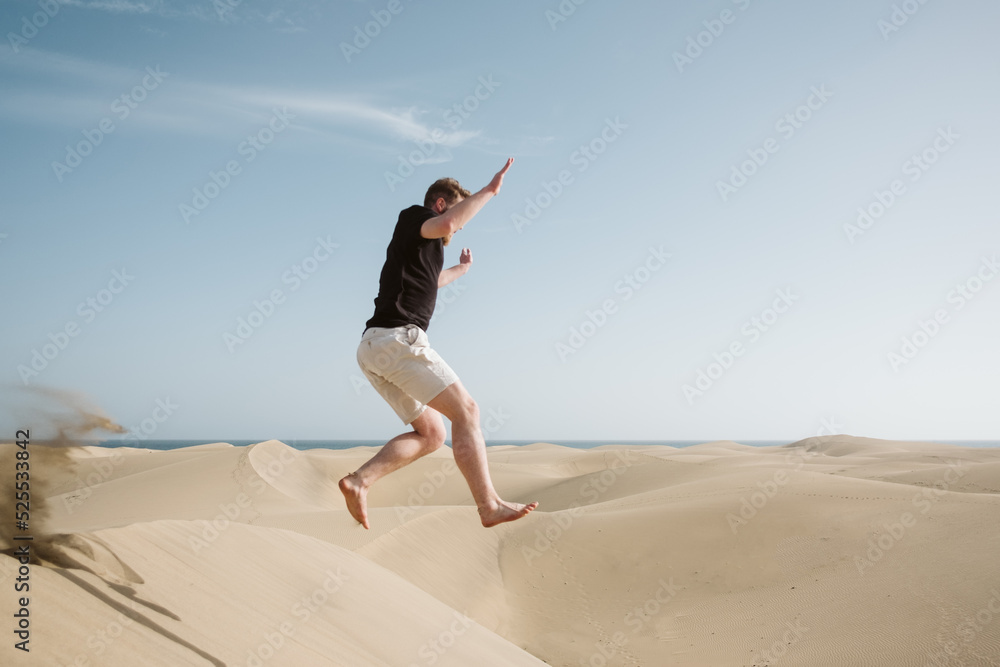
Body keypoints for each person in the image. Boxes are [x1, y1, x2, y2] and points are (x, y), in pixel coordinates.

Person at [341, 157, 538, 529]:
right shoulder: (414, 217)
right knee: (469, 411)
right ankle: (488, 506)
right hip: (399, 339)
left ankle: (358, 482)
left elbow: (430, 284)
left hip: (374, 348)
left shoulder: (421, 249)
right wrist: (490, 191)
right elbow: (449, 223)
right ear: (442, 203)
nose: (457, 229)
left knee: (432, 435)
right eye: (458, 214)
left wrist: (460, 271)